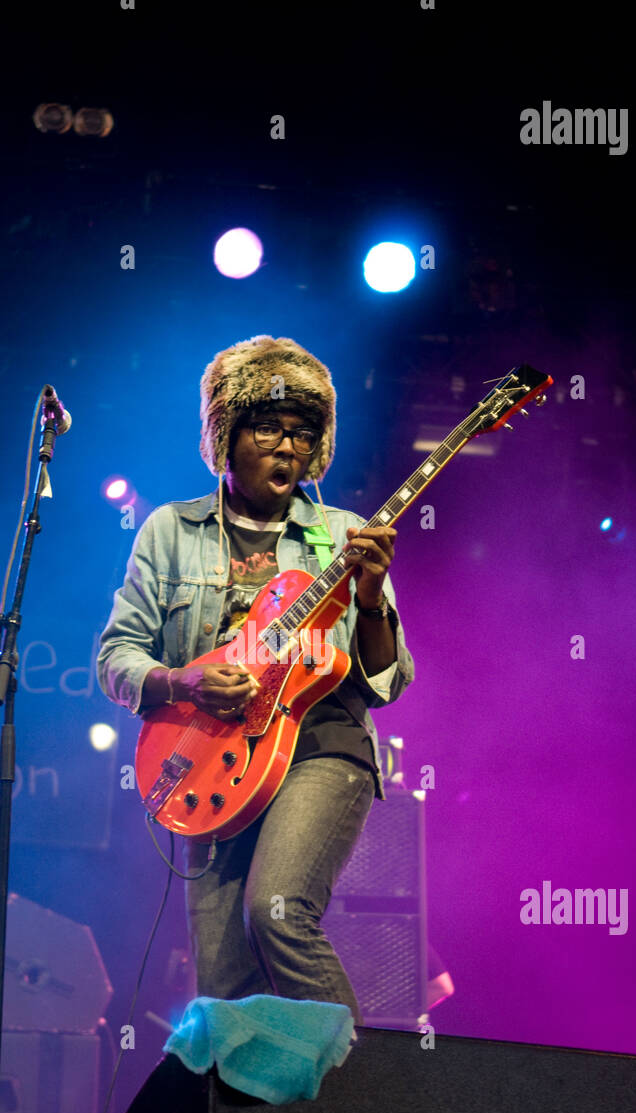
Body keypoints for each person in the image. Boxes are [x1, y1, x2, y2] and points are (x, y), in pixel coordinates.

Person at [97, 335, 414, 1025]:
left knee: (275, 912)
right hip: (213, 762)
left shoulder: (343, 533)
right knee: (222, 980)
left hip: (320, 749)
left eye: (303, 434)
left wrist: (368, 595)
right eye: (267, 427)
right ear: (225, 436)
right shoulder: (169, 532)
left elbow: (389, 679)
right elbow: (116, 658)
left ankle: (361, 1093)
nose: (288, 447)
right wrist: (185, 685)